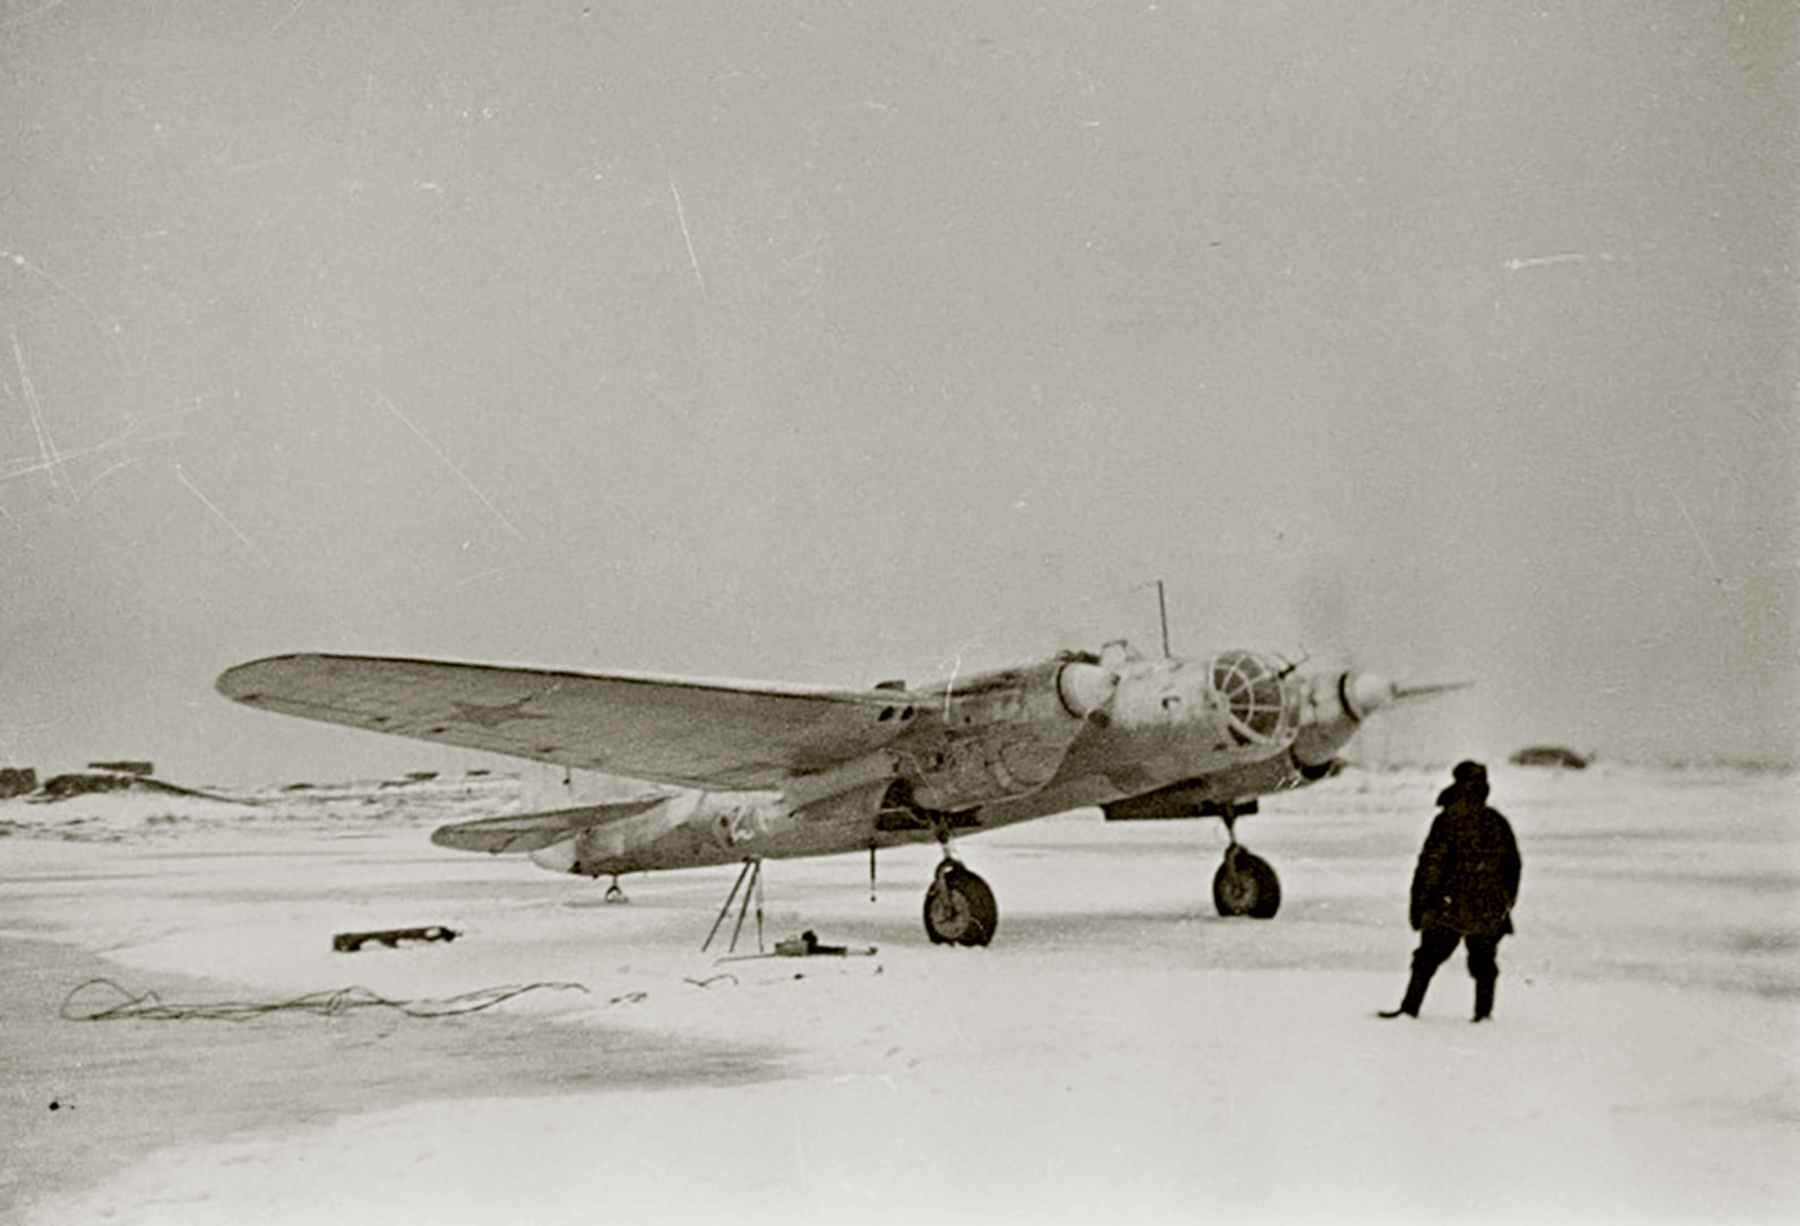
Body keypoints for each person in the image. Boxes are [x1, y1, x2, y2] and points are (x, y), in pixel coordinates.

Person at [1380, 760, 1521, 1022]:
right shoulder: (1496, 821)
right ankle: (1483, 1015)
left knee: (1426, 960)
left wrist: (1418, 906)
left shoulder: (1447, 820)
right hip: (1488, 907)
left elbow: (1429, 866)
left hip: (1447, 906)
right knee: (1484, 962)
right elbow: (1513, 868)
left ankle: (1409, 1010)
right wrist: (1505, 903)